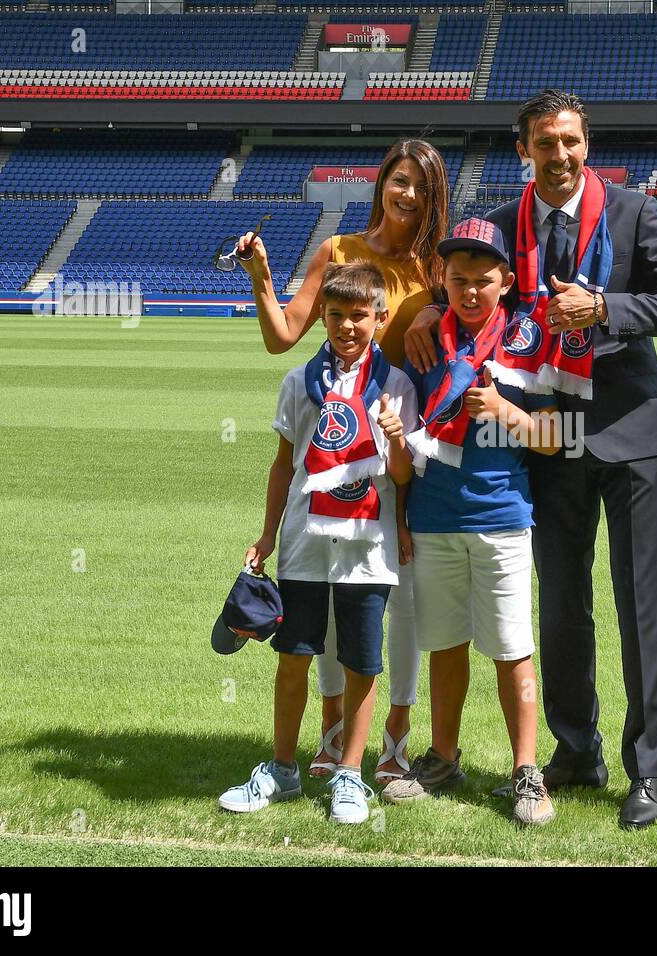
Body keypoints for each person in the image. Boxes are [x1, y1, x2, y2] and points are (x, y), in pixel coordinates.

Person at [404, 90, 657, 829]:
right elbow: (468, 292)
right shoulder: (505, 226)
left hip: (631, 437)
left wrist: (608, 309)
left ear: (586, 143)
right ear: (525, 151)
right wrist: (422, 309)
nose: (561, 156)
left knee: (640, 608)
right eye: (546, 144)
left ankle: (649, 768)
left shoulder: (635, 213)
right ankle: (576, 749)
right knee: (562, 607)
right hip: (543, 440)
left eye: (571, 142)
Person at [236, 139, 449, 782]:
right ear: (381, 183)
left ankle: (396, 740)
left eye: (418, 184)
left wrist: (437, 305)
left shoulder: (438, 266)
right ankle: (333, 737)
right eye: (397, 180)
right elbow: (283, 337)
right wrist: (261, 277)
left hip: (406, 443)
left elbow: (471, 318)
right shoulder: (338, 252)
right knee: (331, 597)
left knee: (399, 598)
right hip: (333, 448)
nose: (405, 193)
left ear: (433, 194)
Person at [218, 262, 418, 825]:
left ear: (379, 318)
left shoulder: (396, 385)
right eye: (336, 315)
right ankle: (283, 770)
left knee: (361, 663)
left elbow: (403, 476)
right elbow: (284, 467)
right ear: (322, 318)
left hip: (367, 546)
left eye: (360, 315)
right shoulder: (297, 384)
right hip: (304, 541)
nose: (347, 326)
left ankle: (351, 776)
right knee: (293, 658)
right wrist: (265, 534)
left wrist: (398, 436)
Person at [382, 218, 562, 826]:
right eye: (457, 280)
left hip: (502, 520)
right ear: (443, 282)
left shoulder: (526, 344)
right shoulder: (424, 341)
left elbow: (555, 441)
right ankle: (443, 756)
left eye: (483, 280)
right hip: (433, 520)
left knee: (513, 648)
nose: (470, 291)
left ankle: (526, 772)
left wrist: (506, 409)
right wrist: (403, 518)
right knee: (444, 644)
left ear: (506, 281)